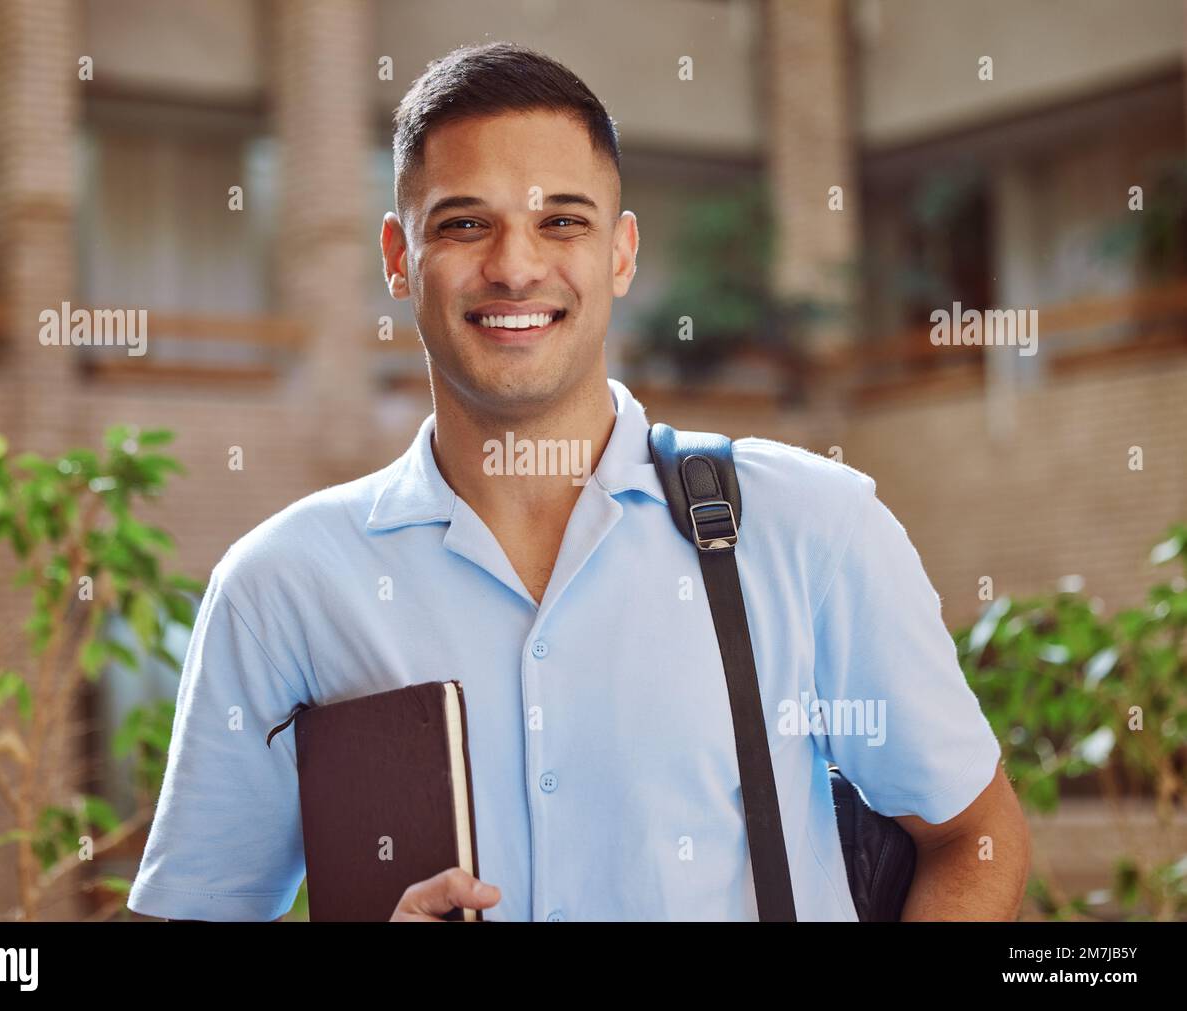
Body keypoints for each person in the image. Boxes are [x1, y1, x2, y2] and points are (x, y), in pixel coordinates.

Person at [126, 41, 1029, 923]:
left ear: (621, 253)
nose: (517, 266)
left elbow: (975, 837)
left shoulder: (811, 528)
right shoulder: (281, 588)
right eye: (465, 223)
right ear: (399, 258)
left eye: (562, 219)